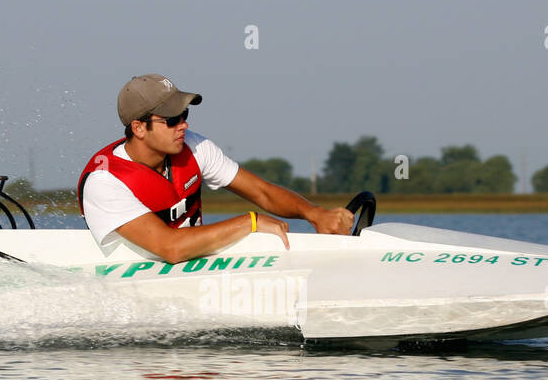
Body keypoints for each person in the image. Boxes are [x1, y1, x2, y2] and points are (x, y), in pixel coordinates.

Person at [77, 74, 353, 263]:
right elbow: (170, 248)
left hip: (194, 265)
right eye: (172, 119)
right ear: (138, 127)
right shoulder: (105, 181)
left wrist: (315, 214)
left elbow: (262, 192)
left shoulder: (194, 147)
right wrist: (251, 222)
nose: (183, 125)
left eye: (184, 115)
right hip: (137, 274)